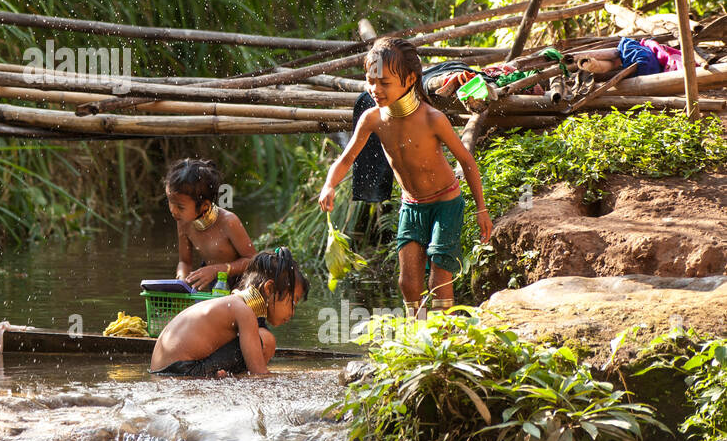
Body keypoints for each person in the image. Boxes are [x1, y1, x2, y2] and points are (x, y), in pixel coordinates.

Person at [318, 37, 493, 317]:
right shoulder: (372, 119)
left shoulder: (432, 118)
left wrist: (481, 209)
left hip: (446, 204)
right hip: (411, 206)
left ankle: (441, 339)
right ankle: (417, 336)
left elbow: (467, 161)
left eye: (384, 83)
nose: (375, 89)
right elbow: (347, 158)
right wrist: (329, 184)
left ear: (410, 78)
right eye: (370, 81)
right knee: (408, 283)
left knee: (439, 281)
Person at [150, 248, 306, 378]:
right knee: (263, 342)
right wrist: (295, 380)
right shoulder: (244, 312)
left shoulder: (233, 303)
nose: (293, 312)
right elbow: (259, 374)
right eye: (293, 302)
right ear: (269, 289)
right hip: (181, 371)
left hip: (162, 369)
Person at [164, 158, 257, 290]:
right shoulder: (183, 222)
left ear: (204, 206)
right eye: (170, 201)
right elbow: (184, 262)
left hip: (243, 286)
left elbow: (253, 261)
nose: (173, 210)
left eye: (180, 207)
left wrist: (219, 270)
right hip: (215, 283)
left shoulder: (228, 222)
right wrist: (182, 281)